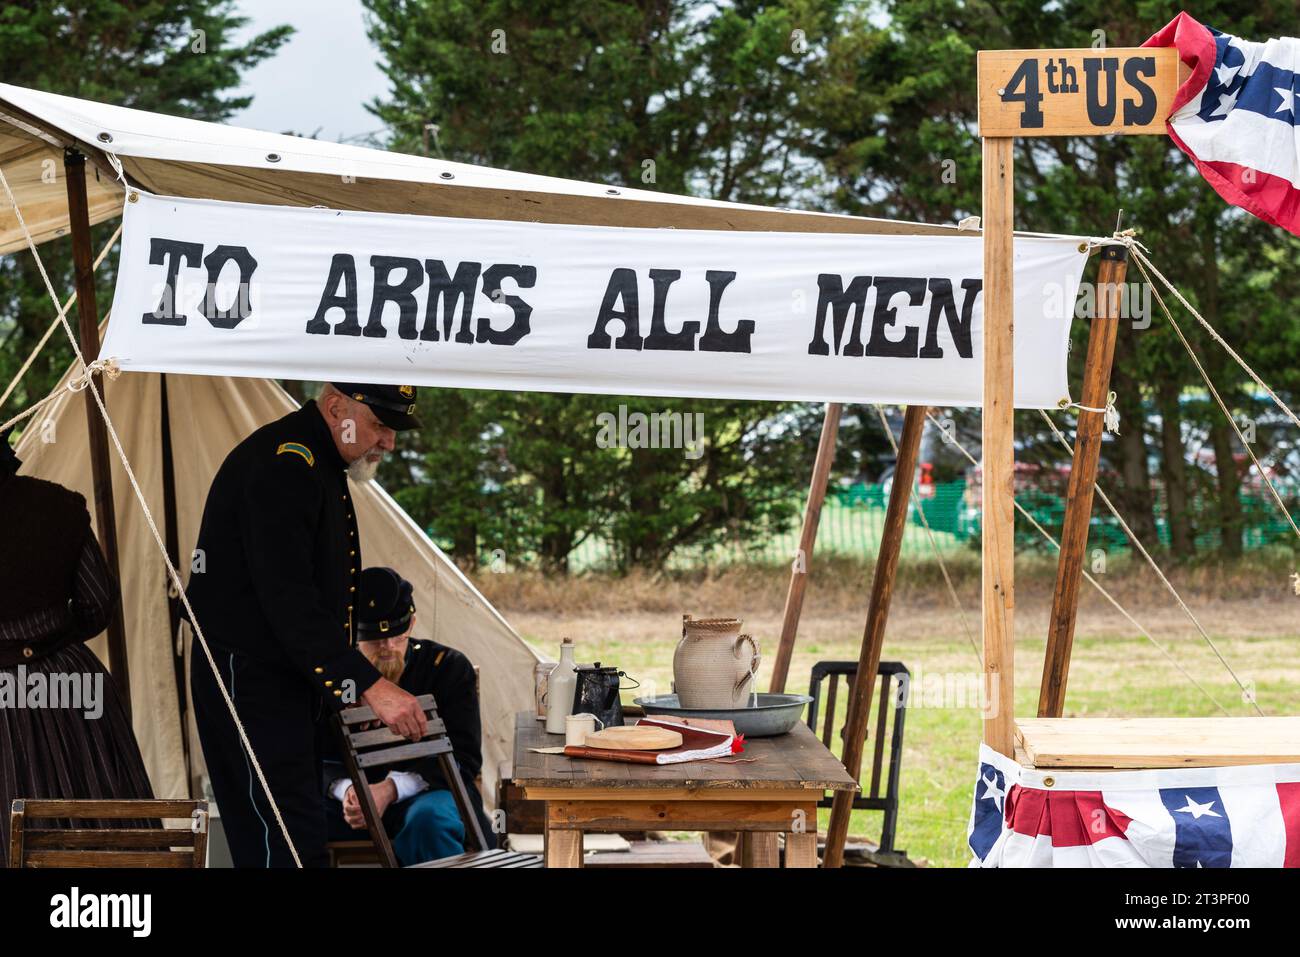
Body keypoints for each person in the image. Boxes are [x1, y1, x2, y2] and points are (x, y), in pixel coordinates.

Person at [187, 383, 427, 868]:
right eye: (380, 425)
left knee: (295, 835)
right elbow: (288, 598)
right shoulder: (287, 464)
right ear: (336, 406)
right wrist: (368, 685)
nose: (389, 442)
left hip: (283, 682)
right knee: (279, 841)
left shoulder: (319, 459)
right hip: (250, 680)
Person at [0, 427, 153, 864]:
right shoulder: (57, 504)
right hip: (71, 683)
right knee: (102, 822)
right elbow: (98, 603)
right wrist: (50, 645)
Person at [323, 567, 494, 865]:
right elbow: (311, 755)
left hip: (429, 793)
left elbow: (464, 759)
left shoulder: (447, 668)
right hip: (348, 805)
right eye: (375, 640)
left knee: (430, 821)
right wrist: (350, 791)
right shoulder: (331, 677)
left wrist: (390, 790)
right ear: (353, 635)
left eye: (396, 636)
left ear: (412, 622)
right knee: (287, 815)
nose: (388, 648)